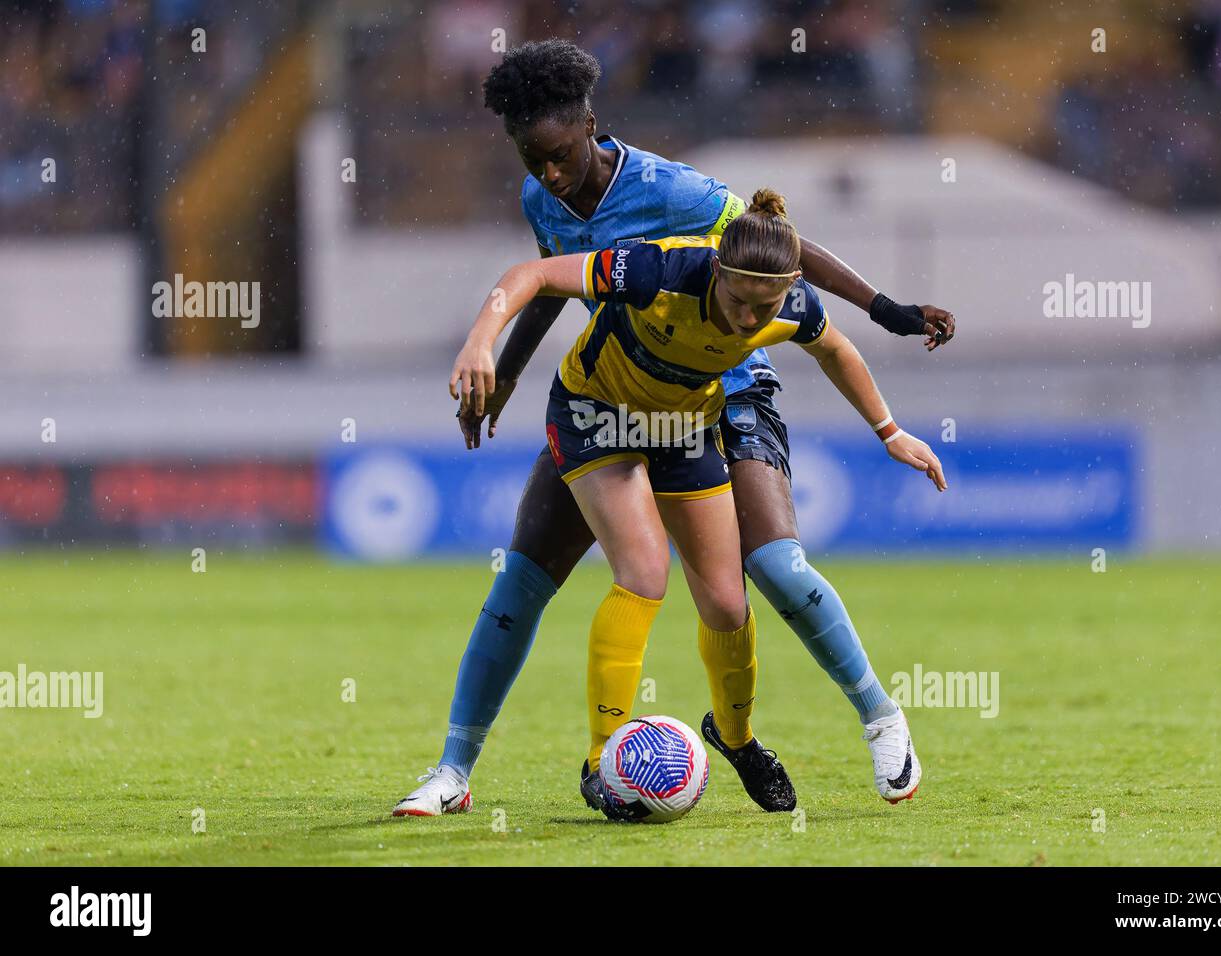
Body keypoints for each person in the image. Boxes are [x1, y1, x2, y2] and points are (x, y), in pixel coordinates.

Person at [393, 40, 955, 817]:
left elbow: (778, 253)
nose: (548, 175)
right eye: (532, 161)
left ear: (591, 125)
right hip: (613, 395)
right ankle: (455, 771)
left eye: (558, 156)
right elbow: (552, 284)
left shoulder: (676, 195)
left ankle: (866, 718)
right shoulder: (547, 205)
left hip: (722, 394)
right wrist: (508, 368)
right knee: (525, 584)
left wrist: (884, 309)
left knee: (765, 578)